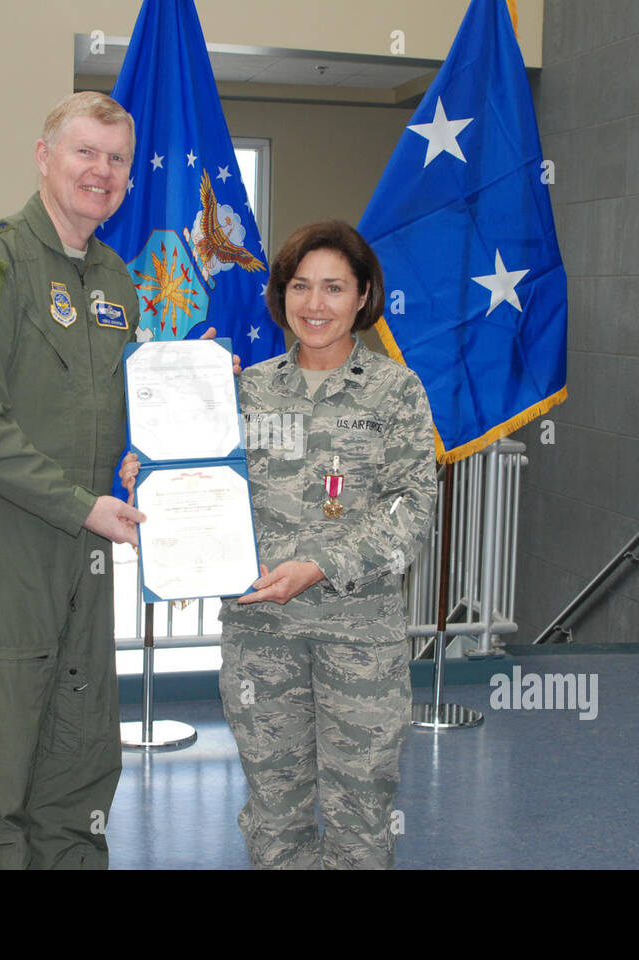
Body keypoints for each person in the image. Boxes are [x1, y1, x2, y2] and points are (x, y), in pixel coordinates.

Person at [122, 220, 438, 869]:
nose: (314, 304)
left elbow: (412, 509)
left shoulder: (395, 390)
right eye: (300, 286)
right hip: (259, 640)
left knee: (360, 812)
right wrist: (149, 473)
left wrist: (320, 566)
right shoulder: (245, 388)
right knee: (274, 810)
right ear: (280, 294)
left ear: (363, 296)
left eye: (333, 287)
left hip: (361, 644)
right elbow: (193, 478)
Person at [0, 91, 146, 870]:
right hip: (2, 549)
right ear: (44, 156)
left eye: (116, 159)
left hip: (86, 552)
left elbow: (112, 412)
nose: (102, 172)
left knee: (80, 754)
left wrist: (178, 403)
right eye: (85, 152)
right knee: (0, 762)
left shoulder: (117, 280)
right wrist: (82, 506)